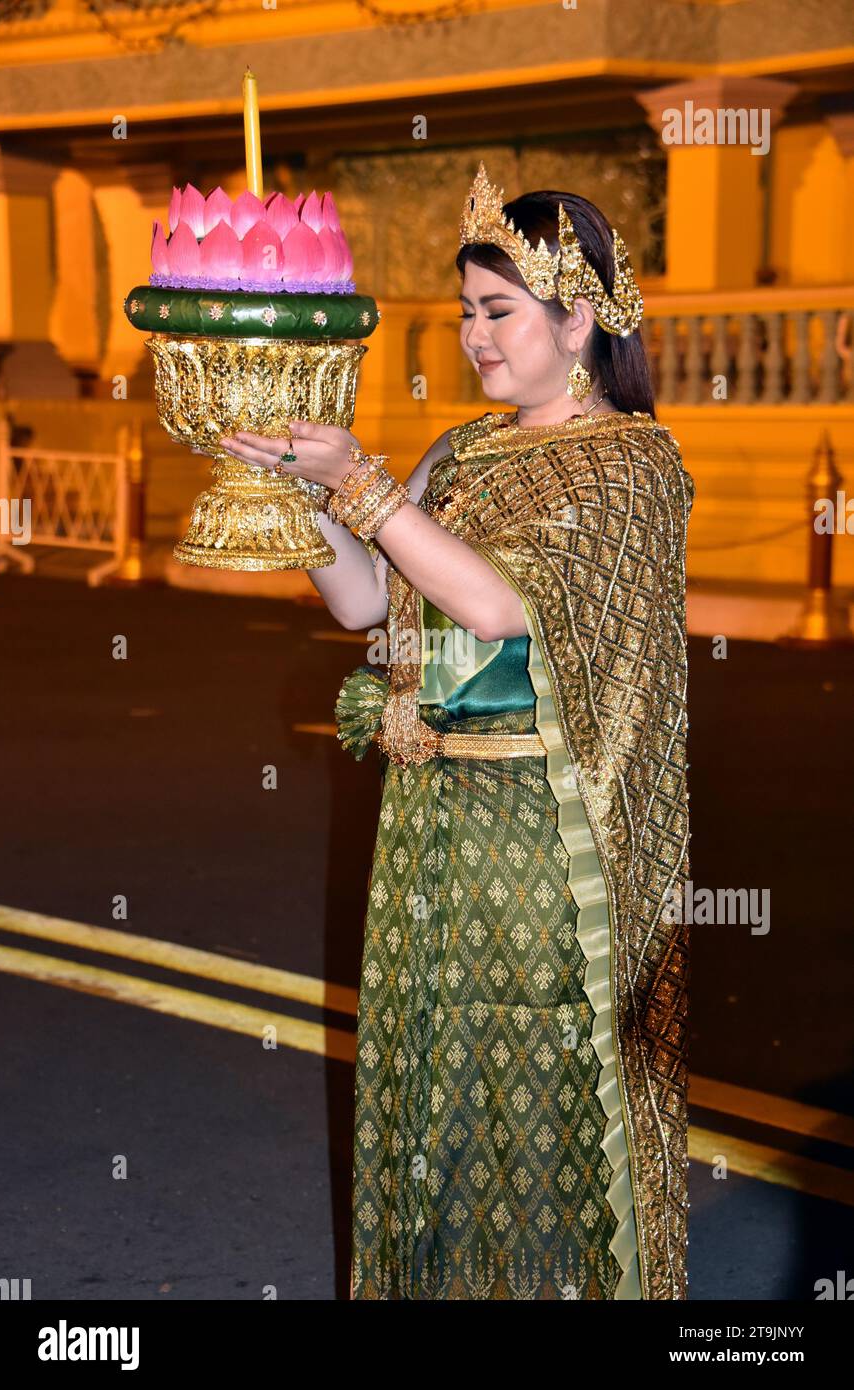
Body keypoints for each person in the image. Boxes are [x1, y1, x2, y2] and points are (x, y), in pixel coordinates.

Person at [219, 161, 694, 1301]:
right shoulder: (466, 449)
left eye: (499, 313)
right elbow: (365, 600)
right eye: (467, 314)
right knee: (439, 1082)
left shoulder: (630, 464)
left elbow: (494, 606)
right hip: (434, 826)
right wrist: (295, 489)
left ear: (577, 321)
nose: (477, 338)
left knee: (541, 1094)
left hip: (547, 843)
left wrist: (367, 485)